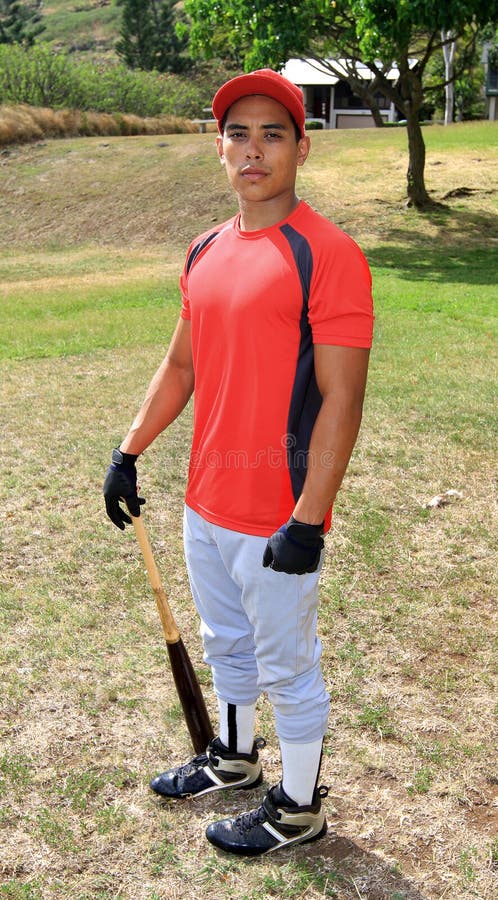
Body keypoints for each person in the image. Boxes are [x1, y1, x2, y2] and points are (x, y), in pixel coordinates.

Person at [103, 68, 373, 856]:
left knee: (288, 666)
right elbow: (181, 366)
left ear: (302, 148)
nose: (253, 150)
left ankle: (296, 806)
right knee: (227, 645)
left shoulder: (328, 253)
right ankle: (234, 759)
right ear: (220, 148)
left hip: (276, 510)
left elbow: (341, 401)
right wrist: (128, 450)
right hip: (205, 500)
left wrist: (309, 520)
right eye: (238, 134)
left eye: (273, 133)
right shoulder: (204, 249)